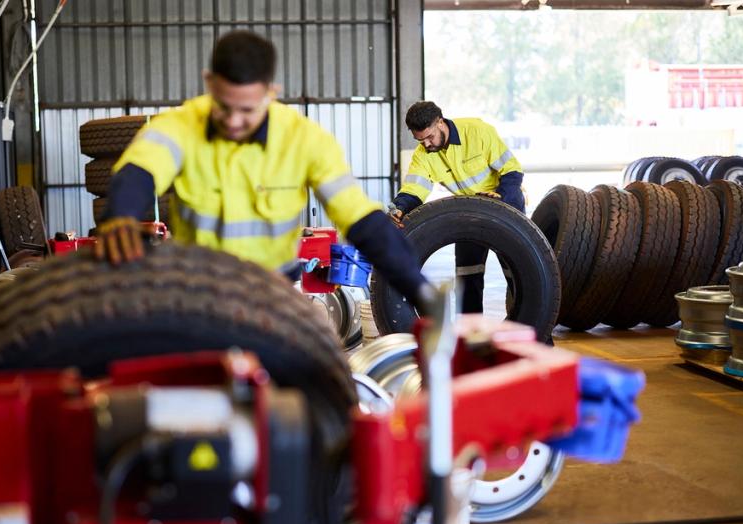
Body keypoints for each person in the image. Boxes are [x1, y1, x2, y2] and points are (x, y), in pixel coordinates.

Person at [94, 30, 433, 312]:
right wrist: (121, 214)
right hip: (196, 298)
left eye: (247, 109)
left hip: (274, 297)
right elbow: (139, 170)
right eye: (224, 107)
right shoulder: (179, 125)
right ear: (209, 83)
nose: (234, 121)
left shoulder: (304, 139)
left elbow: (359, 218)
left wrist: (420, 292)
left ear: (271, 93)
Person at [389, 101, 524, 314]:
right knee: (468, 276)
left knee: (519, 273)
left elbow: (512, 170)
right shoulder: (423, 154)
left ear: (440, 122)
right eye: (420, 140)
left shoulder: (478, 132)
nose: (425, 144)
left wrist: (501, 196)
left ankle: (537, 332)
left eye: (429, 137)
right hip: (469, 210)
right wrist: (398, 208)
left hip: (504, 204)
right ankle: (471, 337)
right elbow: (415, 189)